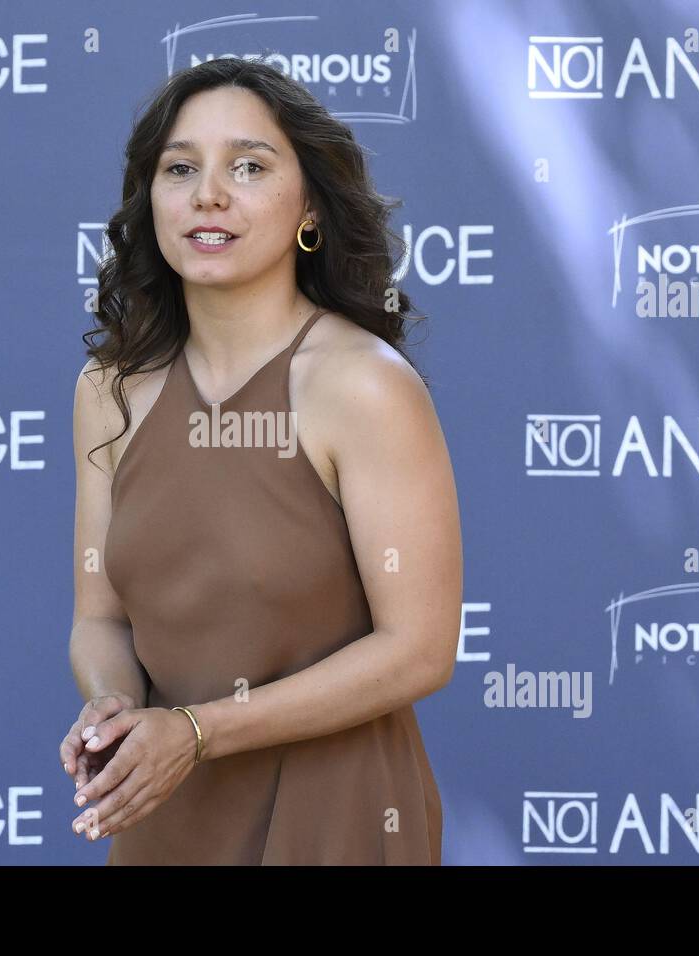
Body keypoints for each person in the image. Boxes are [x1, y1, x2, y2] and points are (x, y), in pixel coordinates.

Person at [62, 56, 462, 864]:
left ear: (309, 205)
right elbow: (100, 618)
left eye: (248, 166)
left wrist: (198, 732)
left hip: (338, 817)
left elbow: (419, 647)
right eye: (181, 169)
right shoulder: (110, 388)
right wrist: (115, 713)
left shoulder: (362, 386)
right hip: (165, 806)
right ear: (152, 201)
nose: (209, 193)